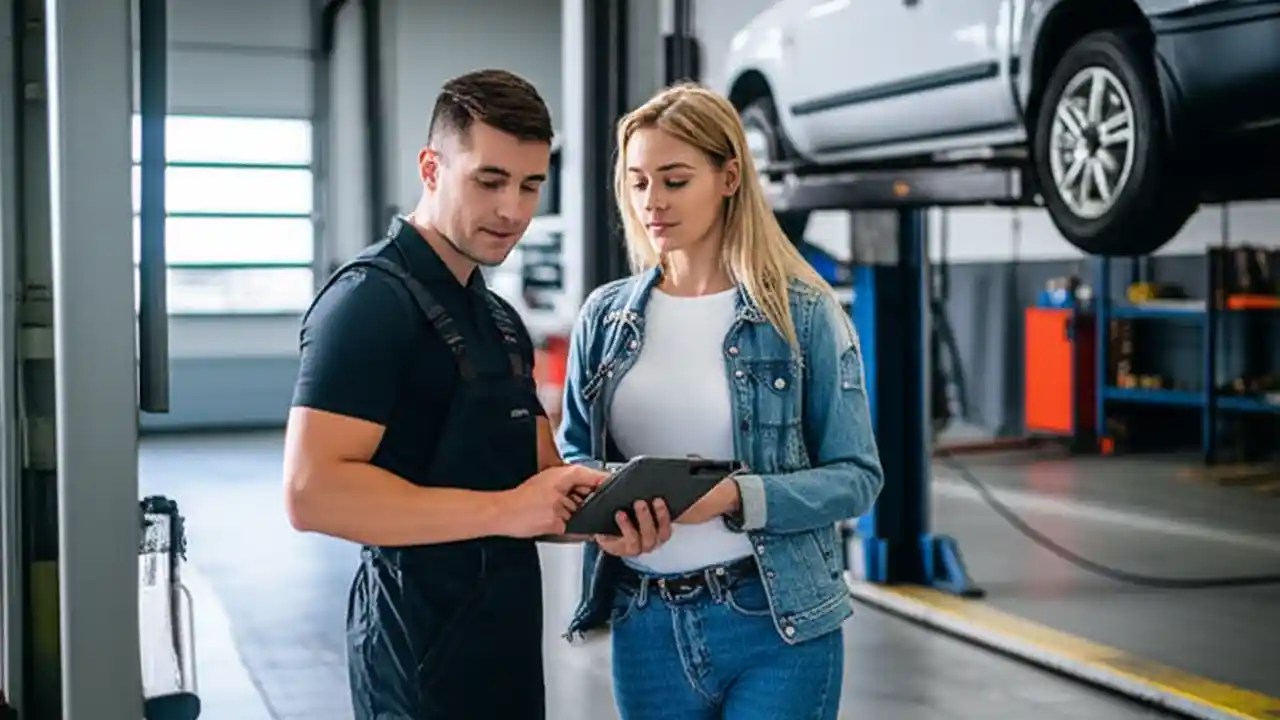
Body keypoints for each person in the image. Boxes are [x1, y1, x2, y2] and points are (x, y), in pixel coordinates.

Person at [555, 83, 886, 719]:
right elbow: (573, 452)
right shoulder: (604, 317)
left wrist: (736, 497)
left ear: (729, 176)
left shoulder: (803, 315)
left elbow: (856, 478)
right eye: (639, 181)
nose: (653, 202)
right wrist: (610, 520)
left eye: (675, 181)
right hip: (645, 623)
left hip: (775, 621)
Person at [282, 69, 605, 720]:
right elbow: (311, 494)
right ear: (432, 167)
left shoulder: (500, 319)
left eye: (530, 185)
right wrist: (507, 511)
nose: (512, 209)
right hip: (413, 649)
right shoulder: (369, 302)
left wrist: (611, 514)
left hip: (504, 642)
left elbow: (540, 485)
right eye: (489, 181)